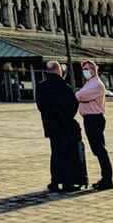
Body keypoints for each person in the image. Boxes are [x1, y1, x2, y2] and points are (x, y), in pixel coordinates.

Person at [36, 60, 86, 193]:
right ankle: (67, 183)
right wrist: (66, 117)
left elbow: (40, 106)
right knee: (67, 154)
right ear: (58, 71)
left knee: (55, 153)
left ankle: (54, 181)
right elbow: (73, 105)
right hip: (65, 126)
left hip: (51, 126)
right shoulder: (65, 86)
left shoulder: (41, 86)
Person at [76, 59, 113, 191]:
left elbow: (80, 95)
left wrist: (77, 96)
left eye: (87, 69)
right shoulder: (89, 83)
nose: (84, 71)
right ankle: (105, 178)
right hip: (89, 118)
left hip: (94, 119)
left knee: (100, 149)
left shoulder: (96, 84)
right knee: (97, 149)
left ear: (93, 70)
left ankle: (107, 179)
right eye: (83, 69)